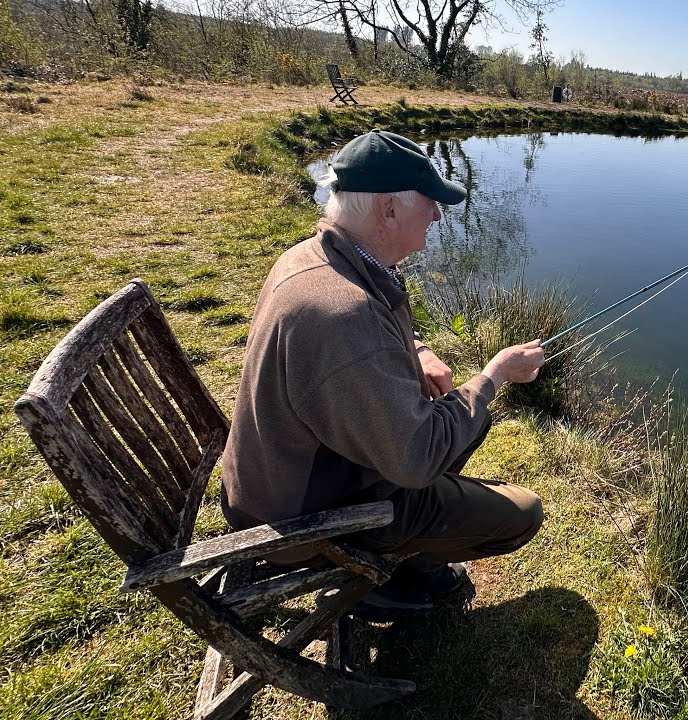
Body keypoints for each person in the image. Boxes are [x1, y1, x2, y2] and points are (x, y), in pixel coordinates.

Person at [220, 129, 547, 618]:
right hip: (309, 521)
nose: (438, 215)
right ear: (388, 211)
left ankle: (405, 558)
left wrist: (415, 350)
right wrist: (496, 374)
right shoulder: (343, 315)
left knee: (464, 418)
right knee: (522, 513)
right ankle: (379, 582)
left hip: (283, 481)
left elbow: (359, 344)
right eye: (430, 203)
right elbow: (417, 457)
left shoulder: (317, 259)